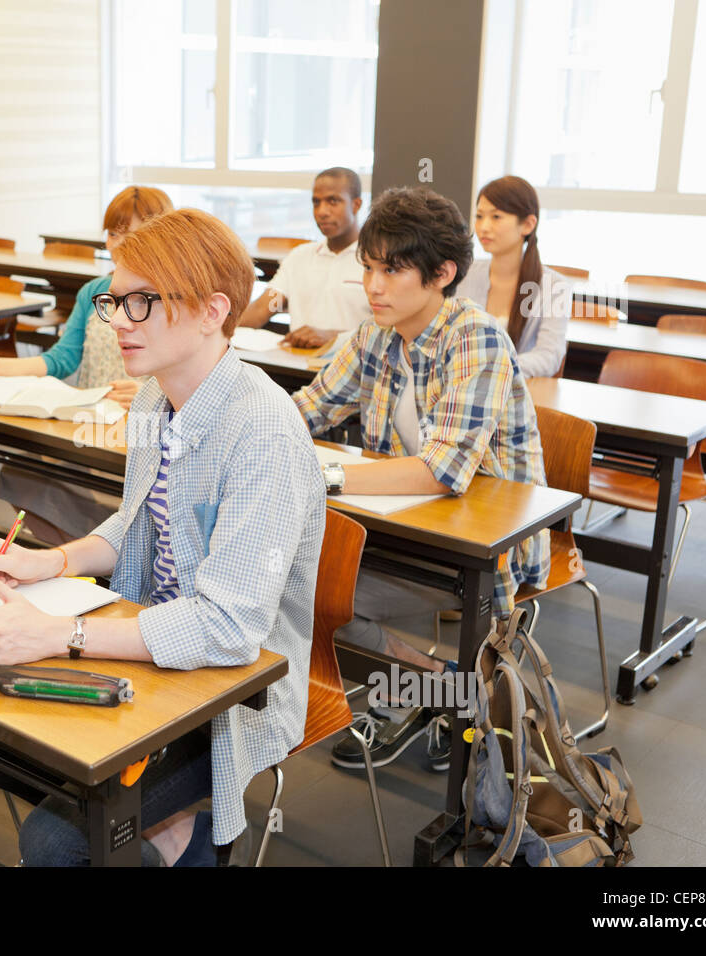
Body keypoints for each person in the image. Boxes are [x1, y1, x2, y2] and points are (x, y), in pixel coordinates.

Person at [0, 208, 324, 866]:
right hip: (148, 644)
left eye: (142, 302)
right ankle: (169, 831)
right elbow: (135, 523)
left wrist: (63, 637)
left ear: (212, 311)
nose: (119, 319)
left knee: (51, 840)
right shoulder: (157, 398)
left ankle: (163, 830)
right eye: (115, 300)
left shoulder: (262, 429)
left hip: (230, 691)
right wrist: (51, 561)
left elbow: (230, 628)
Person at [290, 185, 548, 772]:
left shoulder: (474, 336)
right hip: (408, 531)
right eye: (370, 268)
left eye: (393, 270)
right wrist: (215, 403)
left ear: (442, 274)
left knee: (320, 592)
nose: (373, 286)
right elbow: (307, 409)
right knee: (304, 583)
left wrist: (322, 474)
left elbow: (441, 471)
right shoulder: (375, 336)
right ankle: (438, 687)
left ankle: (437, 696)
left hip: (489, 550)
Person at [0, 186, 174, 543]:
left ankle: (110, 555)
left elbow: (186, 372)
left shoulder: (170, 296)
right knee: (20, 476)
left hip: (141, 428)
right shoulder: (93, 291)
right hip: (92, 420)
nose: (118, 244)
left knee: (127, 502)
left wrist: (147, 393)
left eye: (130, 234)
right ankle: (88, 557)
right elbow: (62, 359)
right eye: (112, 233)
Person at [238, 166, 371, 348]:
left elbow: (387, 332)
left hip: (355, 367)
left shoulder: (374, 262)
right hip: (297, 365)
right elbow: (264, 308)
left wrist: (332, 337)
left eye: (333, 201)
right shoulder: (299, 257)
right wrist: (216, 327)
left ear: (356, 205)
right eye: (316, 202)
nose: (322, 211)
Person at [460, 175, 572, 378]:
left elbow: (549, 356)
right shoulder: (464, 274)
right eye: (479, 216)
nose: (484, 227)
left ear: (528, 225)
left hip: (517, 392)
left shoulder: (555, 286)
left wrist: (494, 368)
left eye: (496, 217)